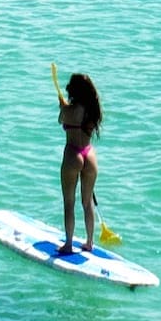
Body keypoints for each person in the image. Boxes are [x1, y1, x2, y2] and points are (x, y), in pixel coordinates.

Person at [55, 69, 106, 254]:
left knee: (69, 202)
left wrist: (62, 107)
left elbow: (62, 120)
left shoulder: (68, 110)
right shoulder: (93, 111)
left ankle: (68, 244)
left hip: (72, 154)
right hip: (89, 155)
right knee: (87, 202)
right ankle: (89, 242)